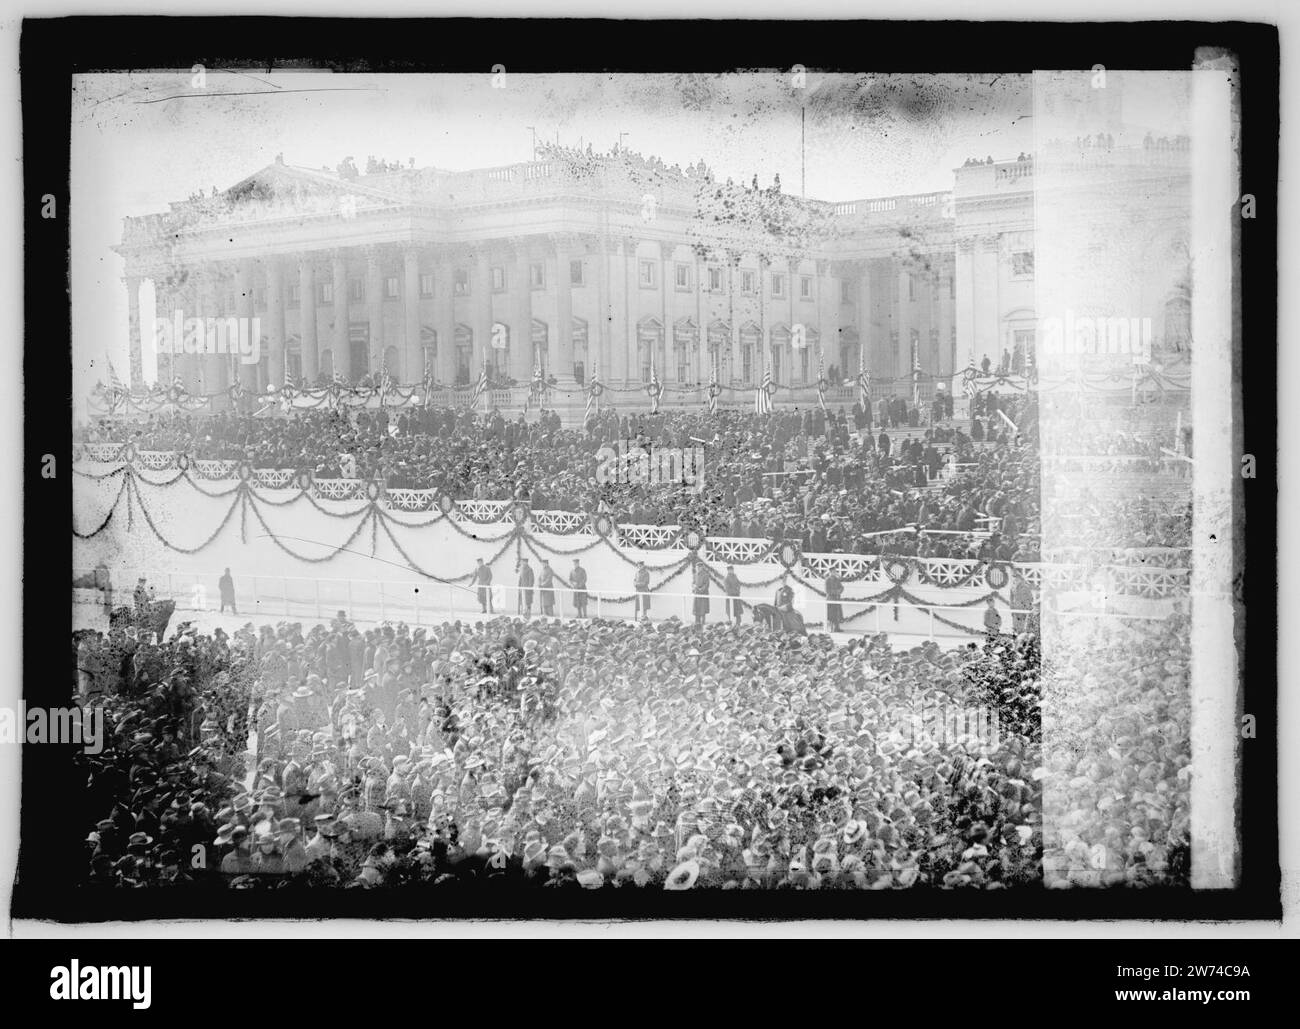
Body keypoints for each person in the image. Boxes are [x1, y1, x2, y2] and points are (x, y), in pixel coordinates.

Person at [691, 562, 710, 628]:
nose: (698, 568)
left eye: (699, 567)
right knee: (697, 610)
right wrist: (694, 587)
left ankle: (702, 624)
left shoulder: (705, 575)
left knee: (703, 610)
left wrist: (700, 590)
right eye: (697, 567)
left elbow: (706, 585)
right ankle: (697, 624)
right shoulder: (695, 575)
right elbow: (693, 583)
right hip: (697, 595)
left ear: (702, 567)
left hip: (703, 595)